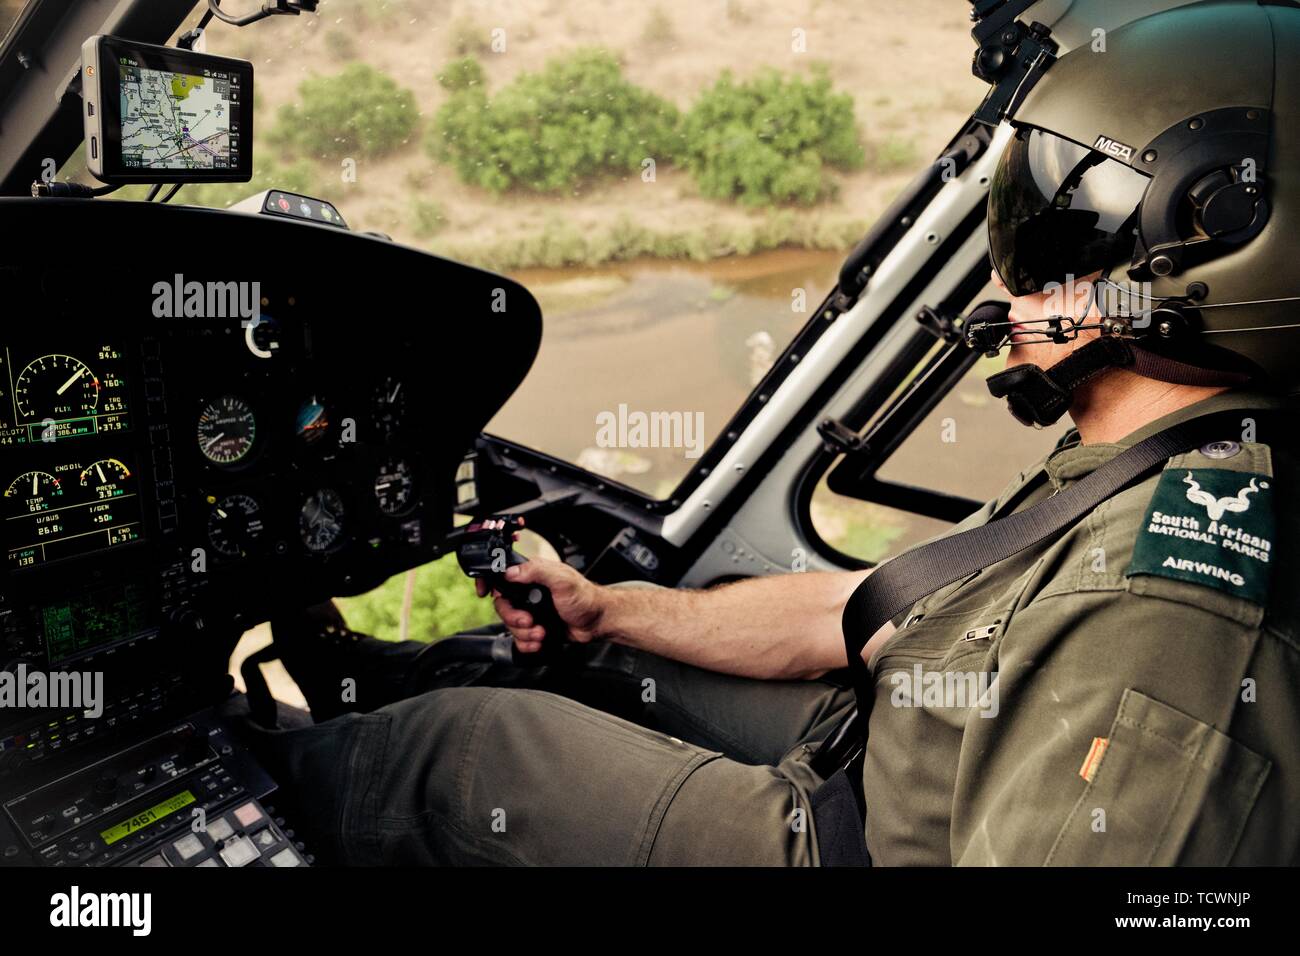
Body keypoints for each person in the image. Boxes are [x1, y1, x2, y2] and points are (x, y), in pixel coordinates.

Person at [240, 1, 1300, 865]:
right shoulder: (1148, 465)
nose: (1000, 280)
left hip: (844, 838)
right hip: (875, 749)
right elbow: (872, 603)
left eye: (1050, 241)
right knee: (583, 662)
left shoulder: (1173, 612)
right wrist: (609, 609)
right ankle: (356, 686)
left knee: (460, 757)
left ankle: (205, 793)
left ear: (1185, 272)